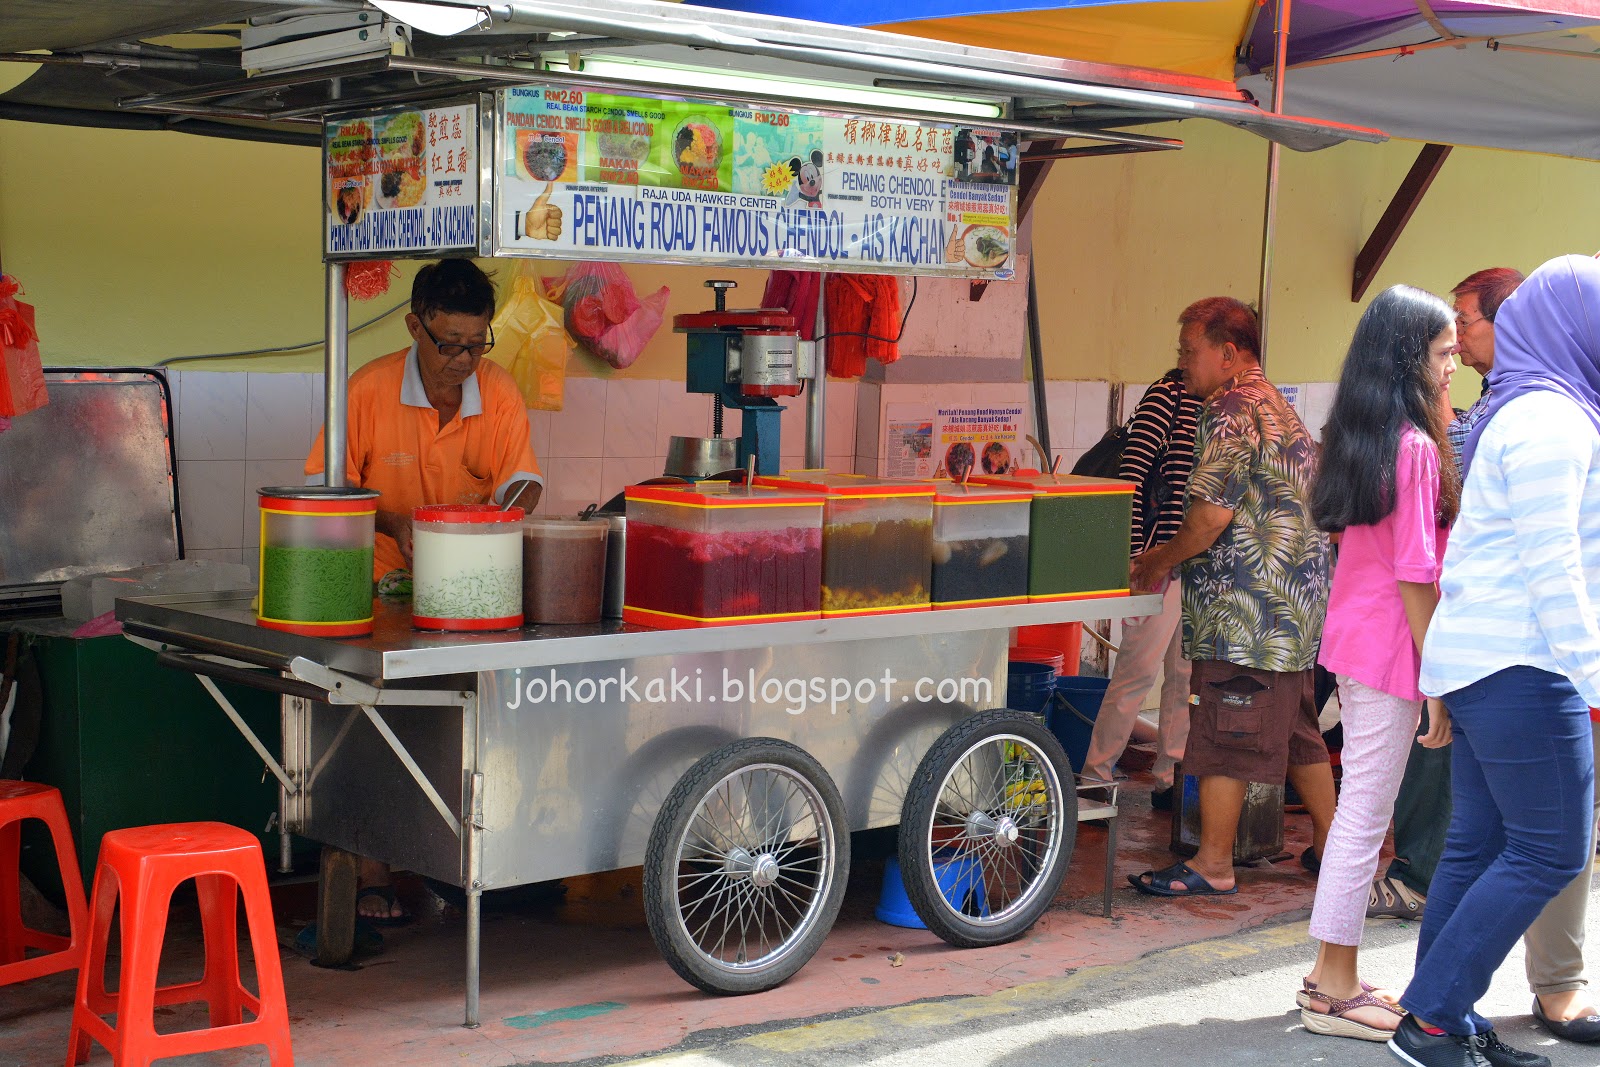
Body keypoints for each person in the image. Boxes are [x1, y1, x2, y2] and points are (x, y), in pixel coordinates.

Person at [1389, 254, 1600, 1067]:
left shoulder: (1519, 408)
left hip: (1486, 661)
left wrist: (1442, 675)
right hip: (1526, 666)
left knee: (1477, 845)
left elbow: (1483, 556)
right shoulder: (1554, 420)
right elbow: (1554, 567)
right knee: (1552, 848)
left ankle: (1447, 1015)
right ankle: (1434, 1020)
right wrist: (1592, 672)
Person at [305, 258, 543, 922]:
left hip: (467, 597)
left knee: (461, 728)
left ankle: (460, 864)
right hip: (375, 594)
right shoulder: (368, 389)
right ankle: (372, 871)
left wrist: (507, 508)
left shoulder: (497, 391)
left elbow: (521, 481)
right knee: (372, 724)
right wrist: (393, 522)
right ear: (416, 326)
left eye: (477, 343)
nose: (464, 360)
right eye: (450, 344)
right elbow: (327, 491)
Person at [1126, 297, 1335, 898]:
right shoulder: (1276, 404)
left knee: (1225, 732)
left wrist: (1156, 559)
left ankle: (1213, 864)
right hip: (1291, 609)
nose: (1182, 363)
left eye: (1189, 351)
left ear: (1228, 353)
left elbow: (1210, 517)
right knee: (1297, 731)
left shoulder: (1229, 408)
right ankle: (1334, 848)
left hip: (1244, 613)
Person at [1295, 286, 1458, 1043]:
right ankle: (1332, 987)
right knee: (1364, 816)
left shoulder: (1365, 436)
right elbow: (1417, 574)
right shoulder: (1416, 447)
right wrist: (1437, 677)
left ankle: (1332, 976)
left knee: (1360, 811)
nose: (1453, 365)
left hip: (1357, 642)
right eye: (1443, 352)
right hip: (1392, 650)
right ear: (1408, 357)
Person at [1372, 269, 1523, 923]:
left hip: (1479, 604)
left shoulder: (1516, 403)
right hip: (1460, 597)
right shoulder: (1490, 399)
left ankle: (1420, 873)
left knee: (1438, 745)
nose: (1456, 342)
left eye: (1464, 321)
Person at [1081, 369, 1201, 807]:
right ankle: (1095, 776)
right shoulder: (1167, 395)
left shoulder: (1217, 403)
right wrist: (1136, 557)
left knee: (1185, 679)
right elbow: (1131, 475)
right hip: (1158, 562)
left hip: (1198, 565)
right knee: (1136, 673)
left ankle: (1170, 776)